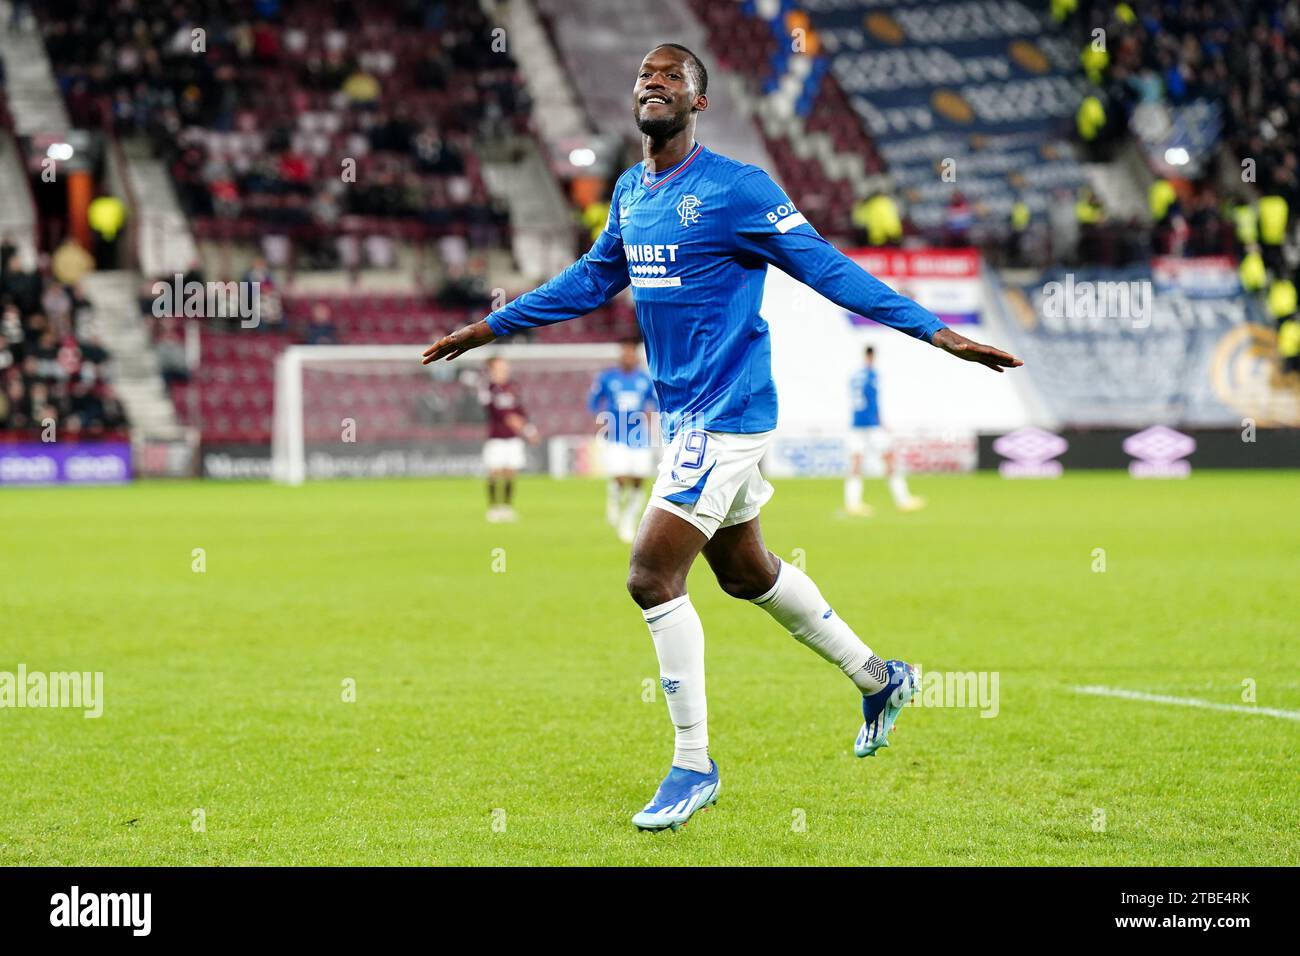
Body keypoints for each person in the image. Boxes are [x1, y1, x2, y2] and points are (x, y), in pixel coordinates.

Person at [422, 44, 1022, 831]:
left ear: (698, 103)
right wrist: (493, 326)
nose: (654, 83)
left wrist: (936, 333)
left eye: (672, 76)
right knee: (746, 574)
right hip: (687, 420)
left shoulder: (739, 190)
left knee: (648, 575)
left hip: (729, 411)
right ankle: (879, 678)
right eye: (644, 76)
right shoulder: (633, 192)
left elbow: (826, 267)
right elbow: (591, 279)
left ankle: (693, 763)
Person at [588, 337, 658, 543]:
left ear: (635, 355)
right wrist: (599, 420)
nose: (628, 356)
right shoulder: (608, 378)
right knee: (620, 477)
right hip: (616, 436)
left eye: (631, 352)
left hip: (639, 438)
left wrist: (649, 416)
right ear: (621, 354)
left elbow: (655, 402)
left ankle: (629, 520)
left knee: (638, 480)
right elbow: (593, 401)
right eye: (624, 352)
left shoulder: (645, 379)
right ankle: (616, 500)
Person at [845, 346, 923, 516]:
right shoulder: (871, 375)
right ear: (872, 356)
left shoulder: (854, 376)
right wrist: (881, 421)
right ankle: (903, 500)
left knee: (856, 462)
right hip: (871, 424)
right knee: (888, 458)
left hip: (855, 423)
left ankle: (852, 503)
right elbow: (873, 400)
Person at [479, 356, 538, 522]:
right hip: (496, 436)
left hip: (513, 437)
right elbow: (498, 412)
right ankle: (492, 508)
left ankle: (506, 507)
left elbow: (520, 409)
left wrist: (528, 427)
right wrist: (525, 429)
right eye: (500, 367)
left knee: (511, 472)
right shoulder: (489, 388)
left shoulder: (513, 386)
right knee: (494, 471)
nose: (505, 369)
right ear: (492, 369)